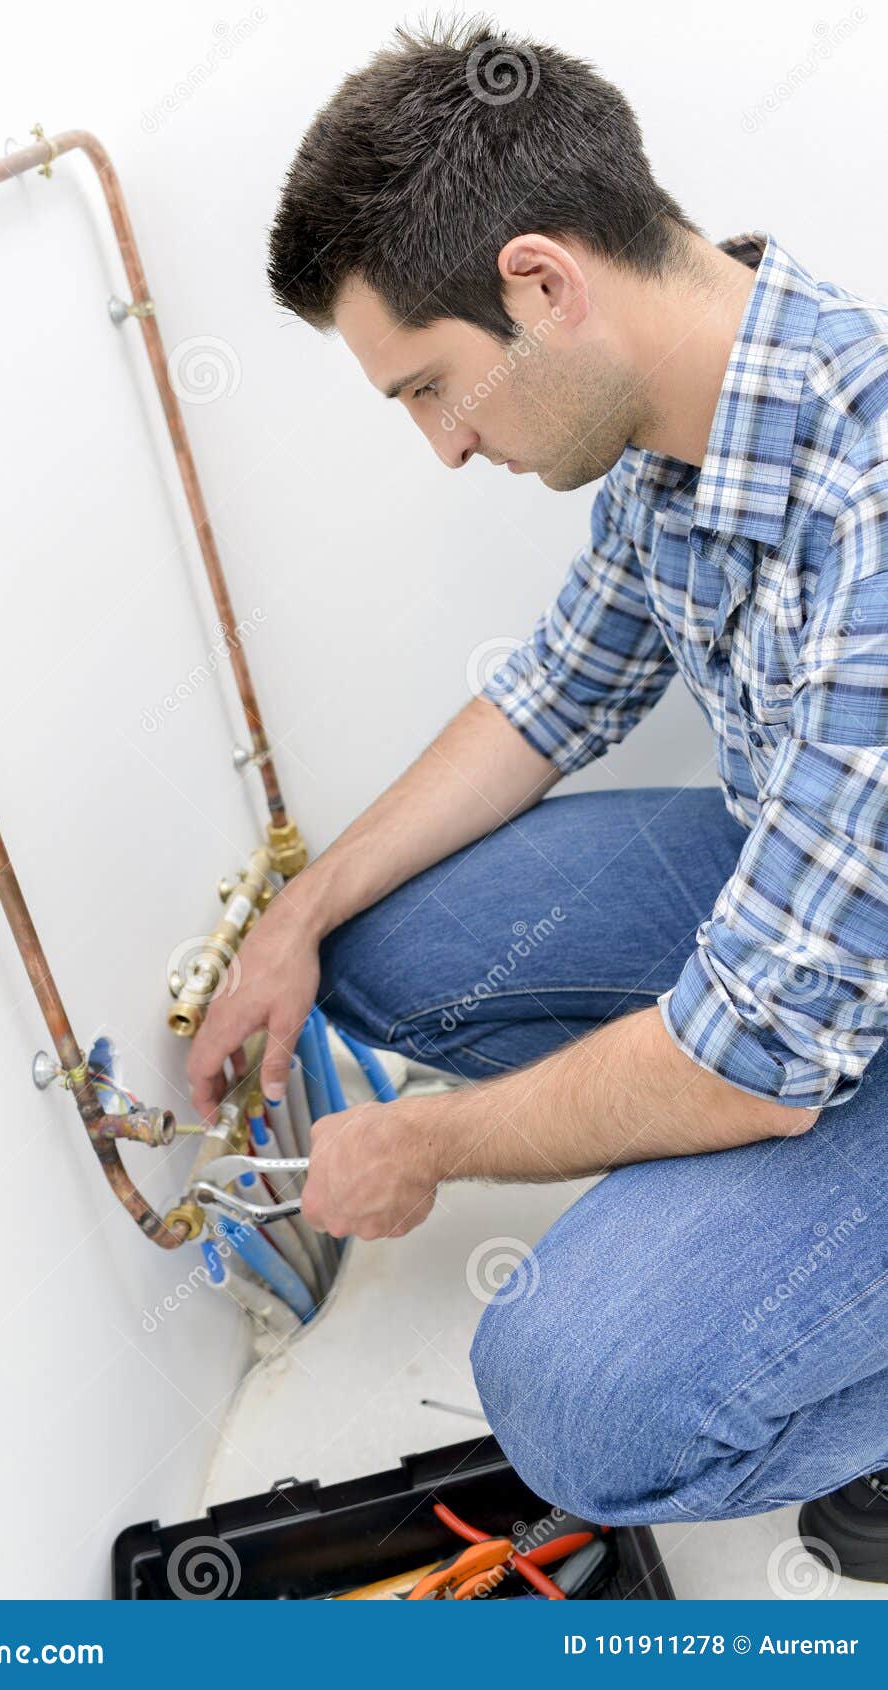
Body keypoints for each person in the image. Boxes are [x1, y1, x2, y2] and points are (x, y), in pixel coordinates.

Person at [187, 20, 888, 1576]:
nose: (443, 446)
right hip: (822, 920)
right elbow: (552, 692)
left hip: (824, 1008)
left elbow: (766, 1057)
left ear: (543, 282)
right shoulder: (676, 424)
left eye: (431, 388)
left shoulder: (872, 506)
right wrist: (296, 915)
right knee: (382, 946)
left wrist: (436, 1146)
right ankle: (737, 1207)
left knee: (581, 1405)